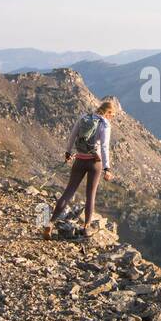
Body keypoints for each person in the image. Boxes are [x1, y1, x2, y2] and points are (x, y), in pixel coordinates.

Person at [45, 98, 115, 237]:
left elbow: (72, 136)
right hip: (95, 163)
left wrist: (68, 152)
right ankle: (86, 227)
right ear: (108, 113)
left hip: (79, 160)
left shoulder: (83, 118)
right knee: (91, 195)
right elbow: (105, 147)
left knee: (68, 192)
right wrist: (107, 168)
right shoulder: (104, 124)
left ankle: (51, 222)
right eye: (112, 115)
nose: (112, 118)